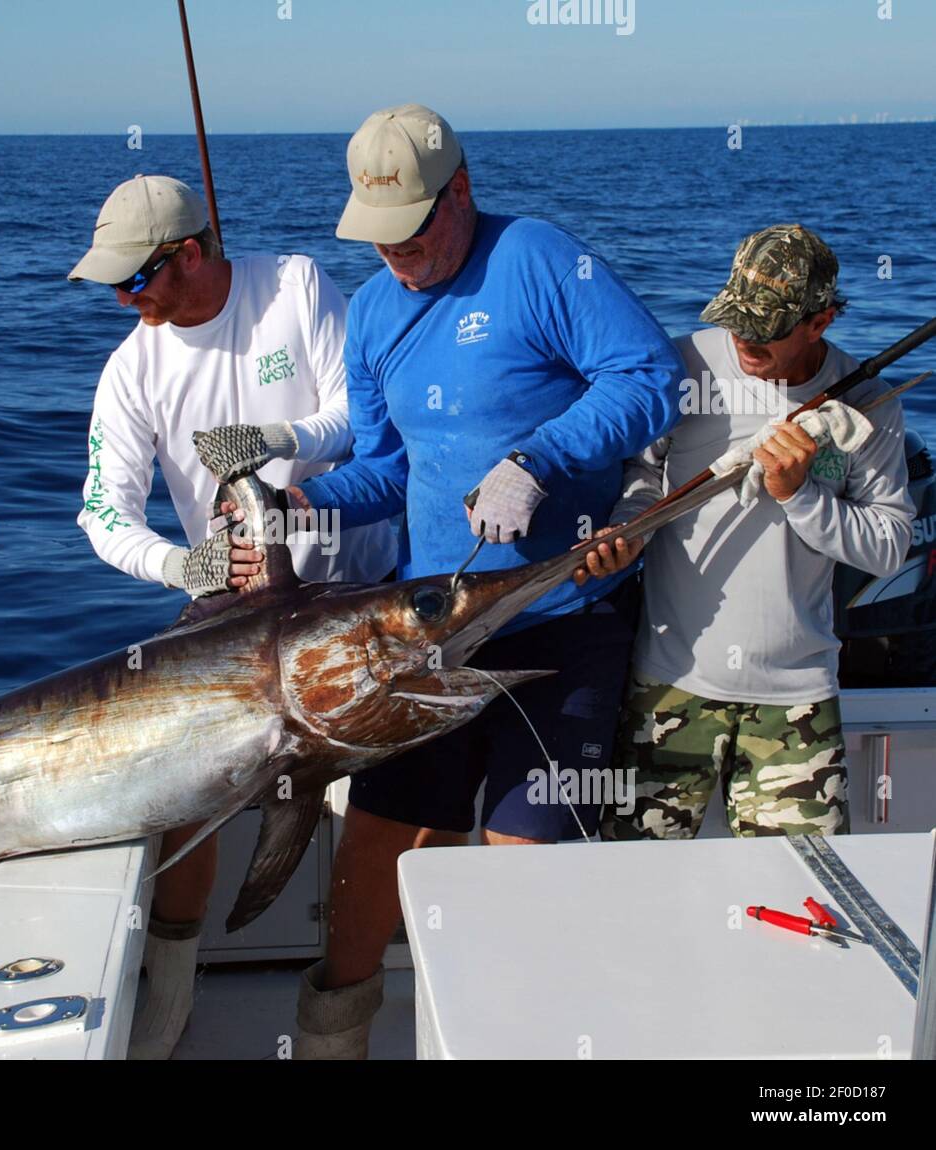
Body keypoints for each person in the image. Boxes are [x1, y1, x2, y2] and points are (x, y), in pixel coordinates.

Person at [276, 104, 684, 1058]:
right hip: (430, 633)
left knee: (523, 862)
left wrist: (538, 459)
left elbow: (648, 375)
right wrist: (305, 504)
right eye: (377, 240)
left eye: (413, 232)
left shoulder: (539, 259)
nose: (398, 258)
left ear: (460, 190)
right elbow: (388, 470)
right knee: (380, 842)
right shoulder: (372, 312)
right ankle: (333, 1039)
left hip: (561, 620)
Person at [70, 174, 396, 1058]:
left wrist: (278, 445)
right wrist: (187, 563)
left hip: (355, 584)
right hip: (232, 599)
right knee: (185, 797)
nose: (123, 302)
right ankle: (171, 995)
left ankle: (343, 1011)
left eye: (135, 281)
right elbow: (102, 514)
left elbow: (357, 419)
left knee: (390, 799)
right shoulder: (133, 365)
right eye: (111, 287)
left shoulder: (292, 285)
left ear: (189, 253)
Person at [595, 224, 914, 841]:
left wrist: (801, 495)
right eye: (735, 318)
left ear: (818, 323)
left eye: (765, 328)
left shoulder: (869, 404)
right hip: (668, 684)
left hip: (796, 697)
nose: (743, 339)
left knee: (813, 904)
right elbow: (642, 470)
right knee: (633, 889)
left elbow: (888, 545)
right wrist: (627, 528)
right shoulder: (687, 366)